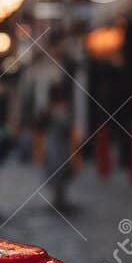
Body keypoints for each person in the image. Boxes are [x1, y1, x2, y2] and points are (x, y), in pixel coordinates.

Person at [42, 82, 77, 214]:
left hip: (57, 144)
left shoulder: (54, 109)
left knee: (59, 169)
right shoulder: (56, 109)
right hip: (58, 144)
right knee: (59, 169)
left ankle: (59, 196)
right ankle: (59, 197)